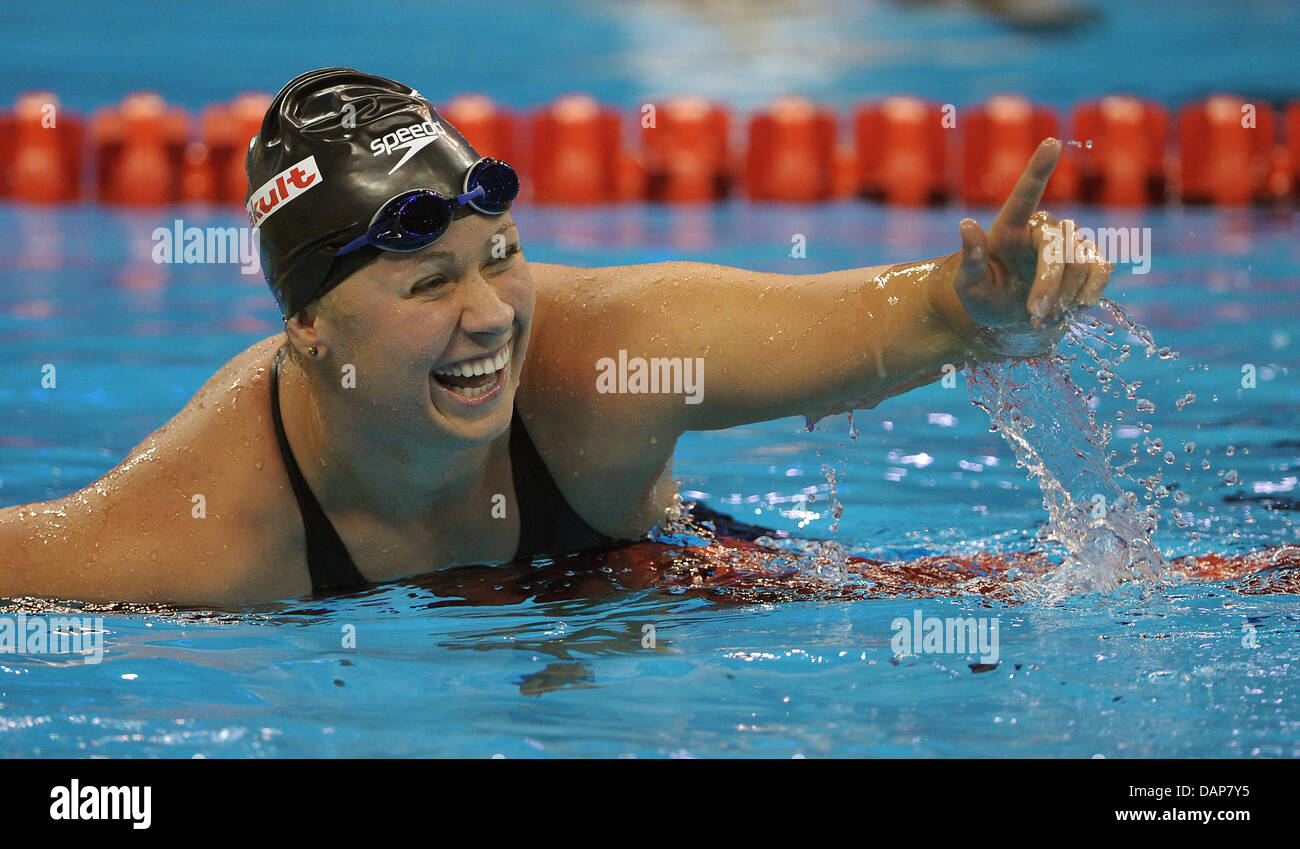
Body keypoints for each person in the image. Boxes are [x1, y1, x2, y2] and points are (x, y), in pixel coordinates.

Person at [0, 68, 1113, 605]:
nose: (489, 314)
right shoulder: (207, 523)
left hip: (655, 579)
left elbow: (903, 316)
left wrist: (986, 308)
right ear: (305, 329)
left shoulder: (610, 356)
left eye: (500, 256)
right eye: (428, 282)